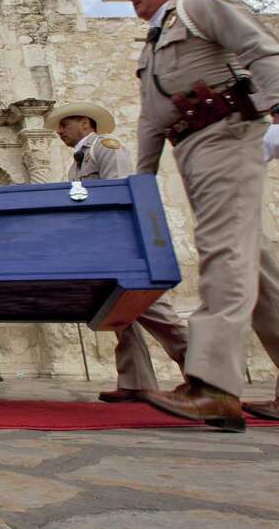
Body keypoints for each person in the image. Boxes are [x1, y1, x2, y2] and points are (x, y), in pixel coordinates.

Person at [102, 0, 279, 431]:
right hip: (193, 144)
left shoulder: (198, 6)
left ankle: (213, 384)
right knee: (255, 263)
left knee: (222, 250)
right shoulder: (152, 43)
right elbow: (152, 117)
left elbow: (262, 47)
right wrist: (143, 176)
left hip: (227, 131)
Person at [45, 101, 188, 403]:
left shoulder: (106, 147)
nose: (59, 131)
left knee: (153, 311)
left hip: (120, 242)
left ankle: (206, 375)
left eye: (65, 124)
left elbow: (120, 192)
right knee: (121, 315)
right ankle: (135, 381)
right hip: (100, 244)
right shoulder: (77, 162)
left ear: (85, 123)